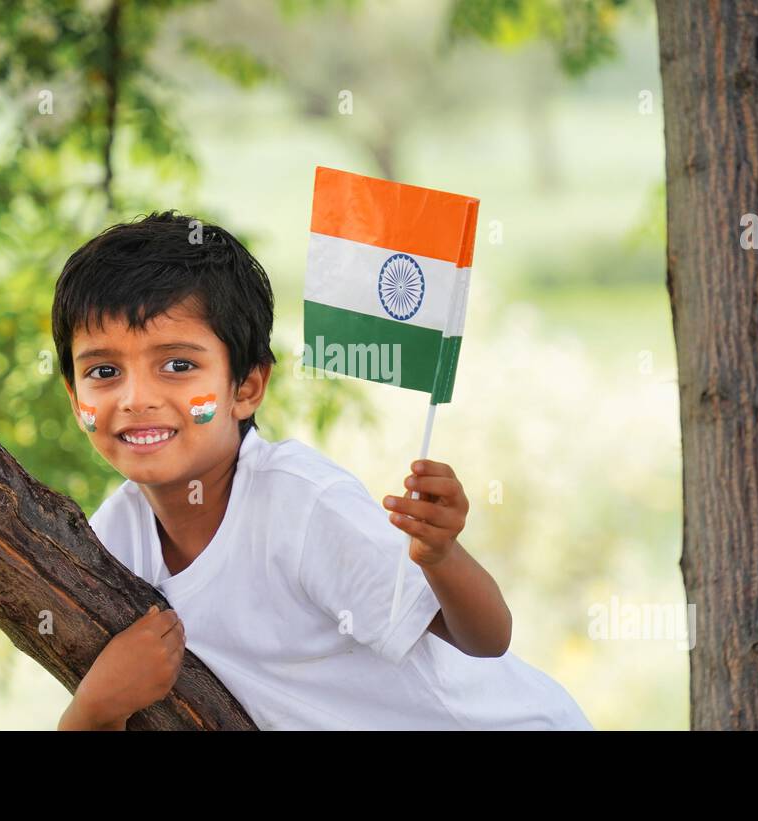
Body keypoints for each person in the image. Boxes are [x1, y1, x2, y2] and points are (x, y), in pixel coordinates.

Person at [53, 211, 592, 730]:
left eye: (178, 365)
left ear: (246, 387)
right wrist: (90, 712)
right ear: (74, 397)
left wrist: (442, 556)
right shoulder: (110, 544)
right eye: (103, 371)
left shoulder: (302, 505)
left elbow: (485, 639)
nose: (135, 398)